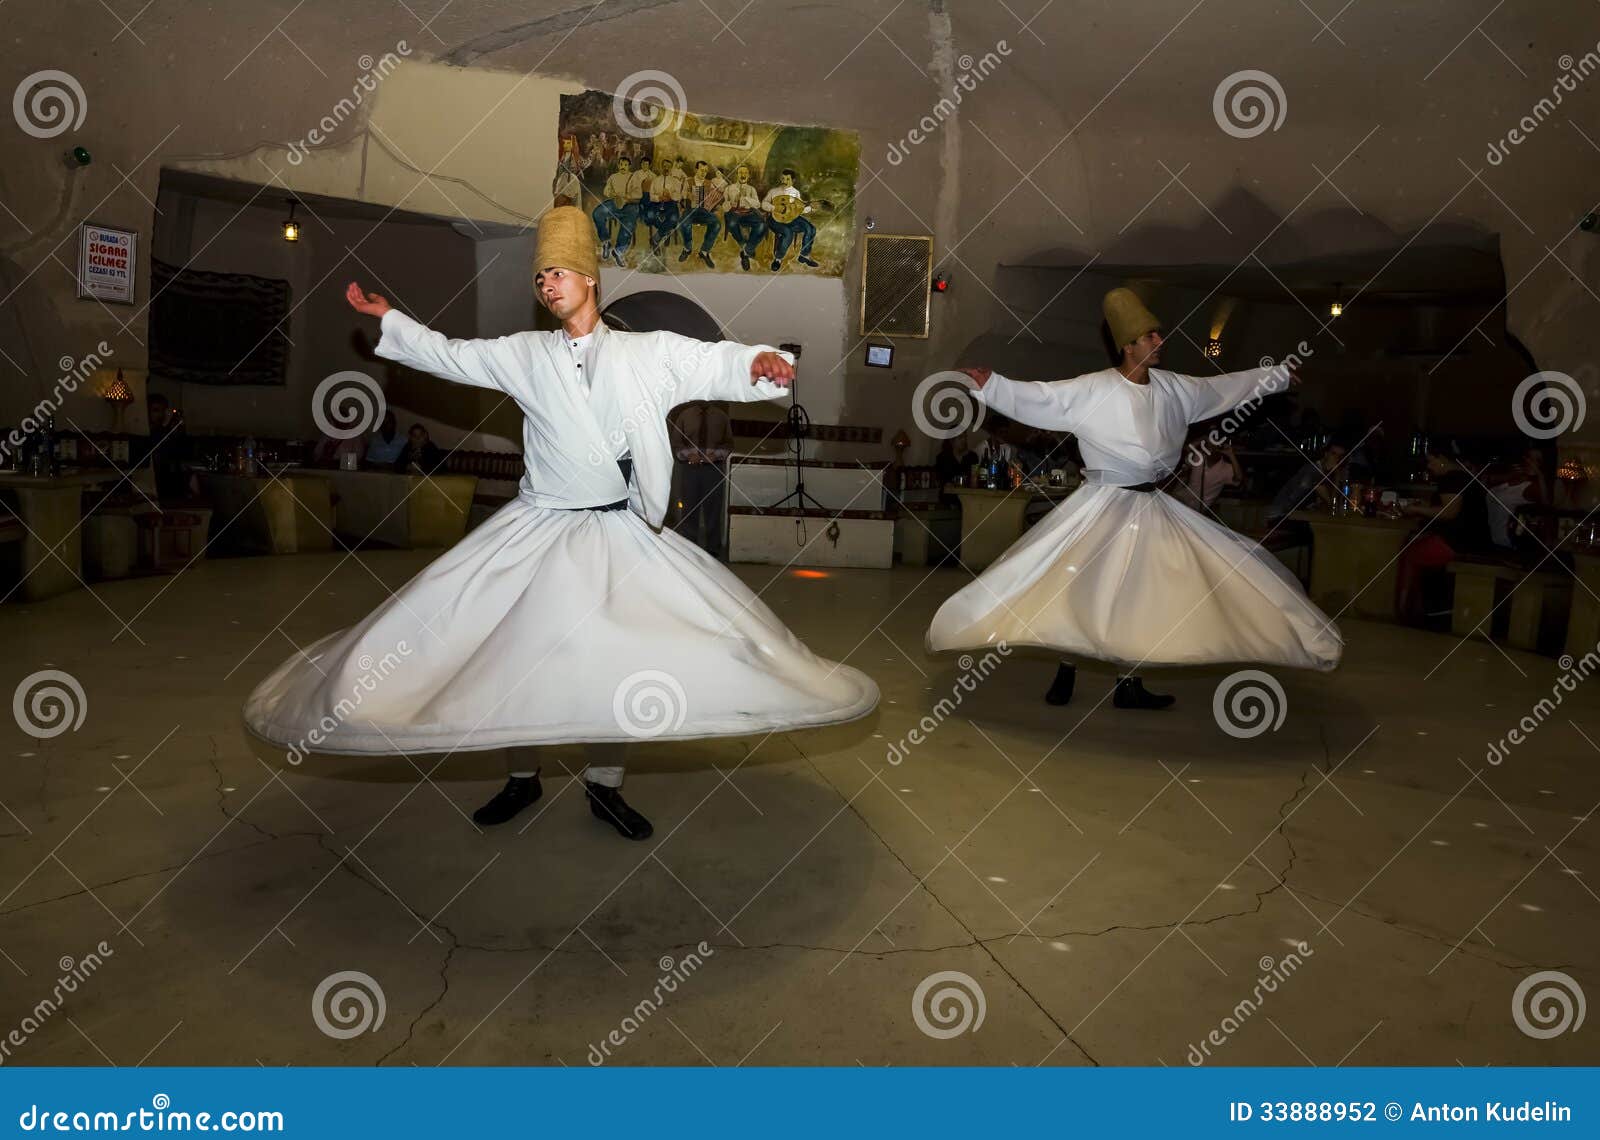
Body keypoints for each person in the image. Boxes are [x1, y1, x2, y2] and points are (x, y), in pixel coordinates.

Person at [242, 206, 878, 841]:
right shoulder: (524, 355)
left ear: (590, 278)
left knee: (618, 661)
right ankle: (522, 777)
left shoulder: (648, 353)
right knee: (519, 655)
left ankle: (605, 788)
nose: (548, 283)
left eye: (560, 272)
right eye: (541, 275)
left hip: (616, 534)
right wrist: (393, 324)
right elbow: (452, 355)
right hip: (537, 528)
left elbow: (713, 364)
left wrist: (759, 364)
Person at [926, 287, 1342, 710]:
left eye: (1158, 336)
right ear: (1128, 346)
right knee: (1077, 589)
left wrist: (1272, 378)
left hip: (1150, 508)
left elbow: (1222, 389)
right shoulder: (1092, 390)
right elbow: (1041, 398)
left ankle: (1130, 684)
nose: (1159, 343)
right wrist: (991, 386)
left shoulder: (1174, 389)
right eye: (1150, 337)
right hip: (1101, 506)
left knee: (1140, 597)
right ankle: (1067, 669)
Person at [1395, 451, 1493, 623]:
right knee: (1413, 544)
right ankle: (1417, 608)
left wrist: (1416, 510)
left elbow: (1449, 512)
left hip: (1461, 543)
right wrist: (1425, 507)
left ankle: (1403, 611)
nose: (1428, 466)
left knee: (1410, 554)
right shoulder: (1463, 476)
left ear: (1443, 459)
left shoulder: (1452, 479)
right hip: (1475, 540)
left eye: (1431, 462)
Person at [668, 400, 733, 558]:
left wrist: (716, 455)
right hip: (690, 468)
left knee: (713, 508)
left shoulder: (721, 417)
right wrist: (688, 455)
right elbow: (675, 443)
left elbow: (729, 443)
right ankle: (689, 546)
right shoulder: (685, 415)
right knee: (689, 507)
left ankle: (713, 548)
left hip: (714, 469)